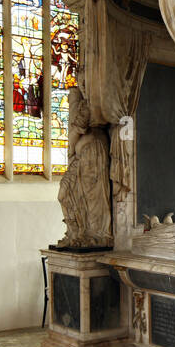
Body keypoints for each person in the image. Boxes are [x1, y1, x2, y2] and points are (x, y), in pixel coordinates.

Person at [57, 87, 112, 248]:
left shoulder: (91, 104)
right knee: (63, 194)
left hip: (92, 155)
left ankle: (95, 234)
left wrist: (72, 149)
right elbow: (77, 129)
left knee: (93, 198)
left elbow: (78, 127)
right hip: (80, 158)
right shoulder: (84, 104)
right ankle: (75, 231)